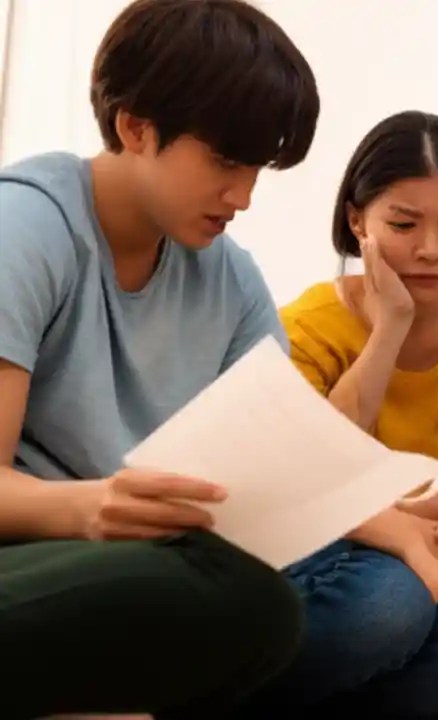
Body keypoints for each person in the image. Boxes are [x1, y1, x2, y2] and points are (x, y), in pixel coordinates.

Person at [0, 0, 320, 716]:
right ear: (135, 126)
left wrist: (417, 525)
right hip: (43, 545)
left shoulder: (229, 274)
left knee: (342, 604)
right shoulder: (25, 228)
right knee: (246, 602)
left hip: (132, 564)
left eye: (259, 167)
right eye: (226, 162)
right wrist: (88, 507)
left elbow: (286, 459)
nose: (242, 196)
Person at [235, 110, 438, 718]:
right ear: (357, 221)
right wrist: (389, 329)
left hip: (422, 547)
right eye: (403, 223)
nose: (431, 249)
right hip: (314, 550)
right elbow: (310, 477)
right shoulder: (309, 324)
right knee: (387, 603)